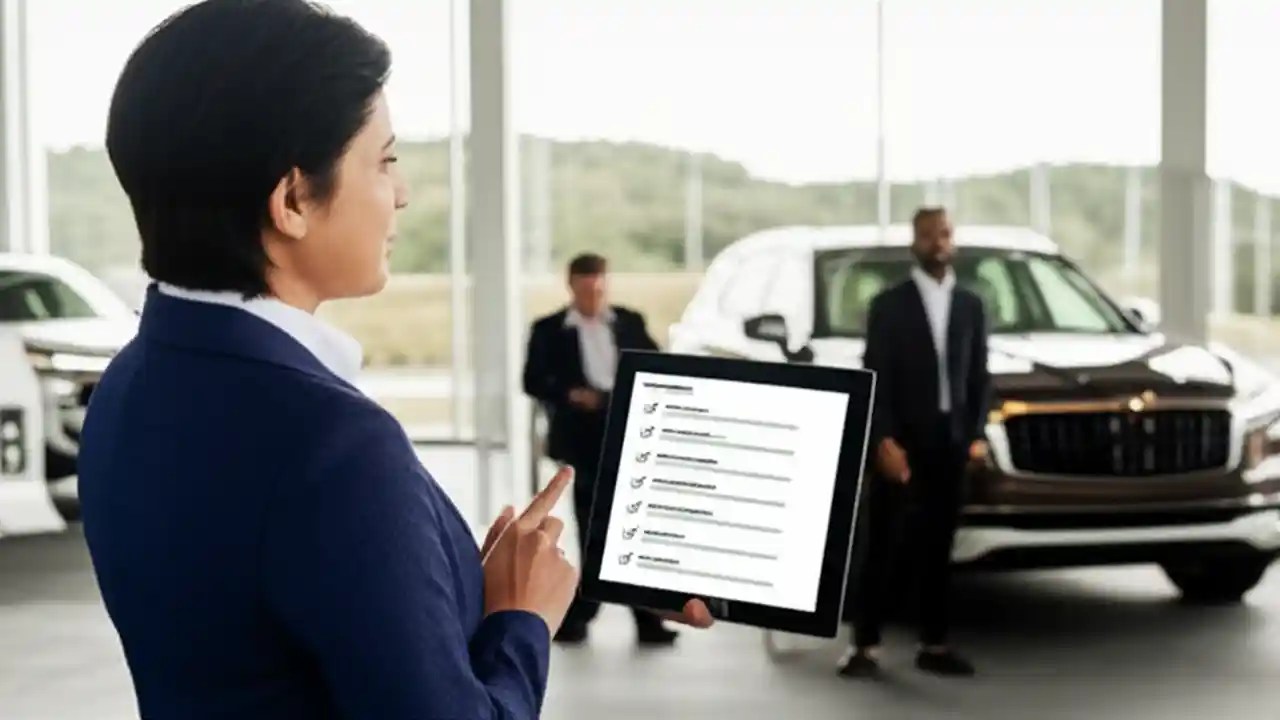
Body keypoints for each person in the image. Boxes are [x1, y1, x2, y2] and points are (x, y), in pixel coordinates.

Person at [76, 3, 710, 719]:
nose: (402, 193)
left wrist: (450, 584)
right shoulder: (333, 444)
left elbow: (277, 620)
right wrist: (522, 622)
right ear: (292, 199)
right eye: (384, 161)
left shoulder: (129, 386)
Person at [840, 207, 991, 679]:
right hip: (901, 444)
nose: (937, 243)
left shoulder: (971, 305)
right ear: (914, 242)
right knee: (883, 543)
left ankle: (934, 644)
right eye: (928, 235)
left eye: (944, 234)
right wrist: (882, 438)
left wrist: (976, 434)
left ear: (953, 240)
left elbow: (979, 376)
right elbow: (876, 375)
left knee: (938, 548)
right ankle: (865, 646)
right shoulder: (890, 305)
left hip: (951, 442)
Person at [523, 254, 677, 646]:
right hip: (582, 439)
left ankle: (599, 612)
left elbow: (656, 365)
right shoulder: (549, 330)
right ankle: (599, 610)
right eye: (585, 288)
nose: (592, 296)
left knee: (629, 524)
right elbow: (533, 380)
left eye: (598, 288)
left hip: (627, 431)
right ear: (571, 285)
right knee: (597, 523)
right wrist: (571, 394)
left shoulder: (629, 322)